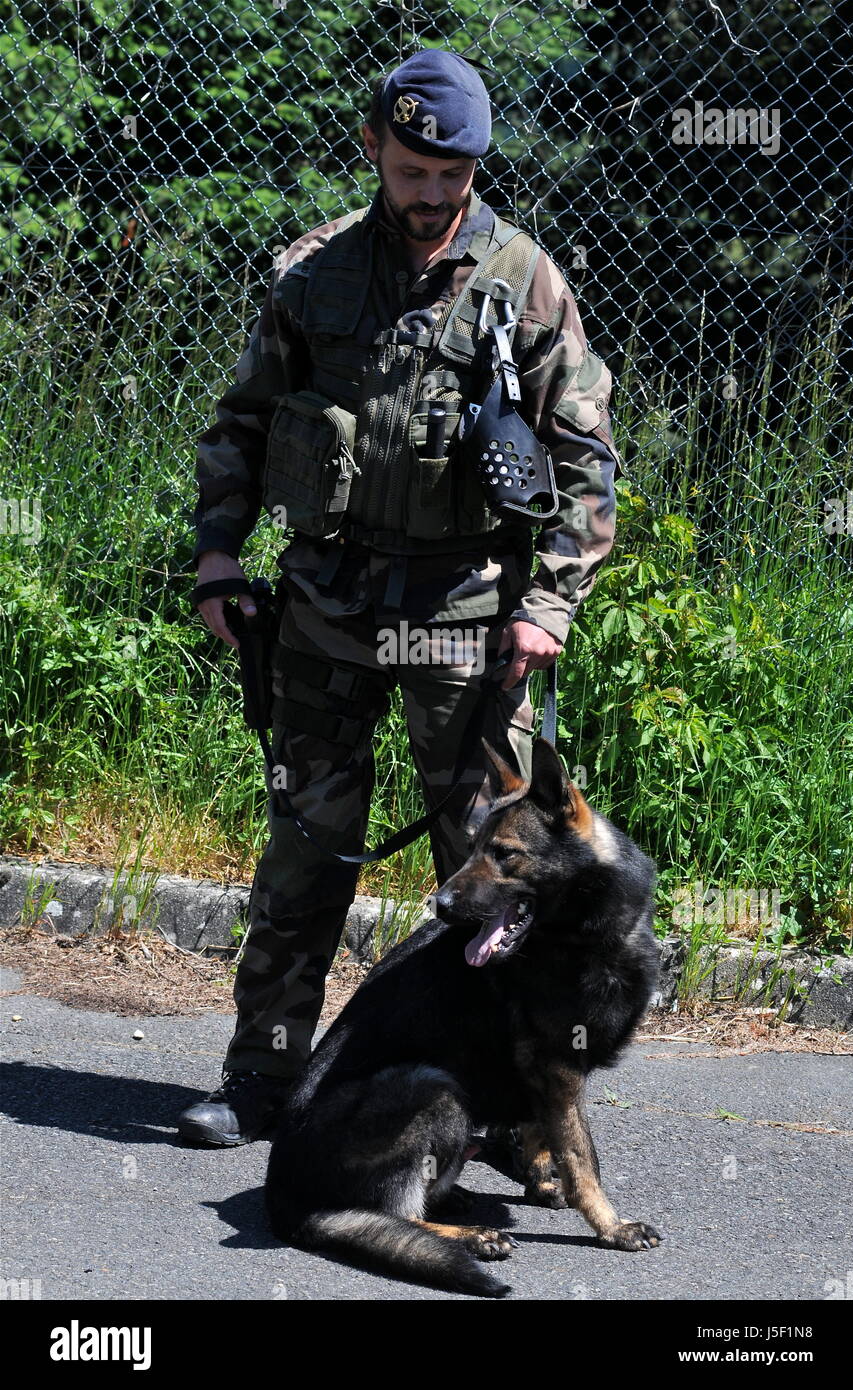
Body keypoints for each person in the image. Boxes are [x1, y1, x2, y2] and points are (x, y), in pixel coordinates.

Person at [179, 47, 621, 1145]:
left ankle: (509, 1118)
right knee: (303, 853)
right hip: (324, 606)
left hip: (467, 620)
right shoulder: (311, 272)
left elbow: (586, 459)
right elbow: (239, 424)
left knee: (489, 884)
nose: (433, 193)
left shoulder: (523, 280)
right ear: (373, 146)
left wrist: (550, 601)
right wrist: (217, 557)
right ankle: (263, 1081)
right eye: (415, 169)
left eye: (454, 173)